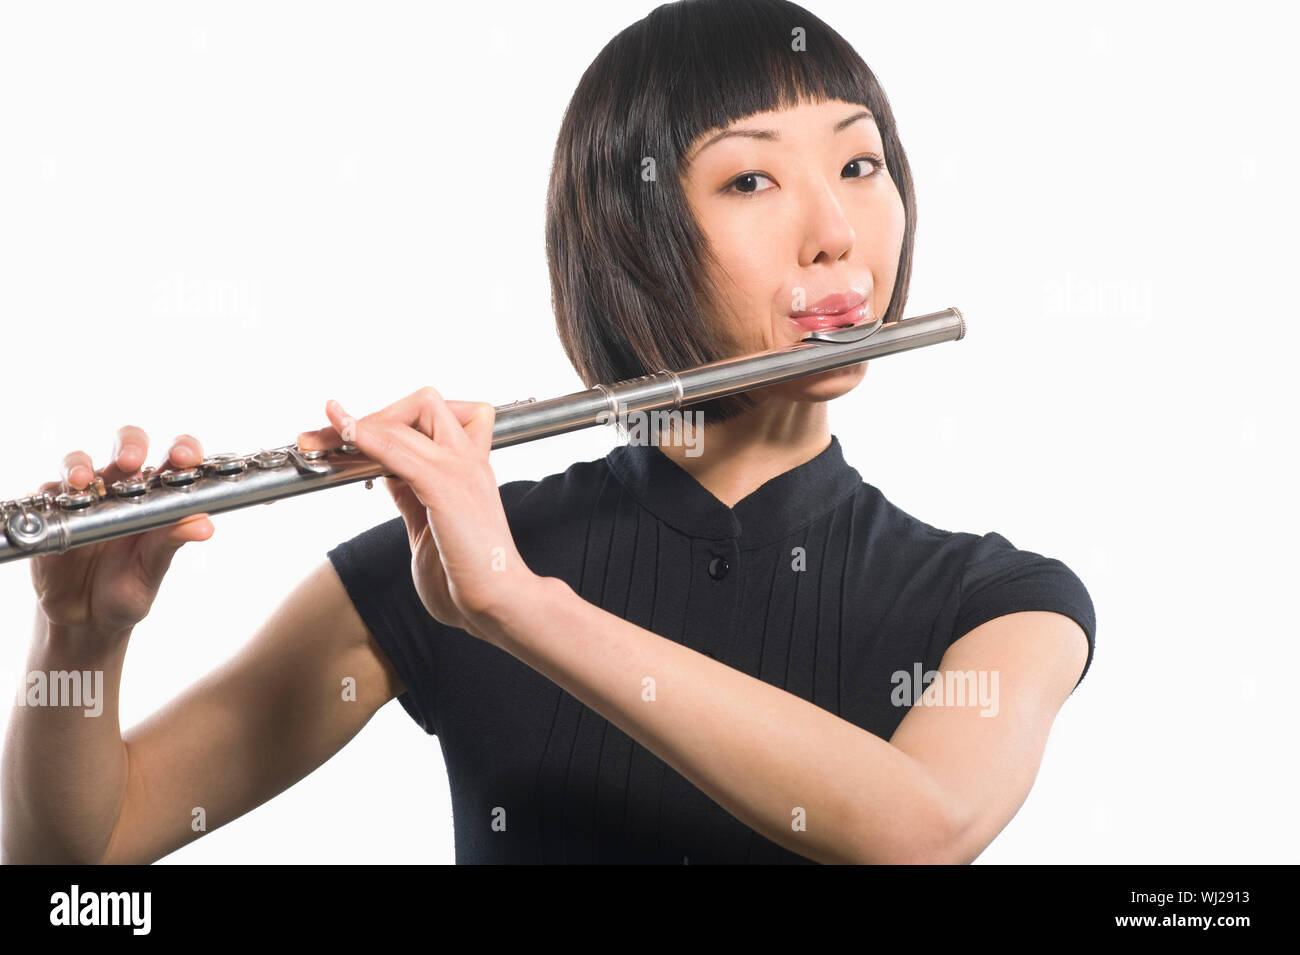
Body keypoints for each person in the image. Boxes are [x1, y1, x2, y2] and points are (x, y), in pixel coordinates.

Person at [2, 0, 1094, 865]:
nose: (837, 232)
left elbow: (918, 829)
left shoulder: (1001, 602)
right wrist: (83, 644)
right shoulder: (435, 562)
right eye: (752, 177)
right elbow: (86, 849)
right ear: (636, 233)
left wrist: (520, 609)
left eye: (859, 165)